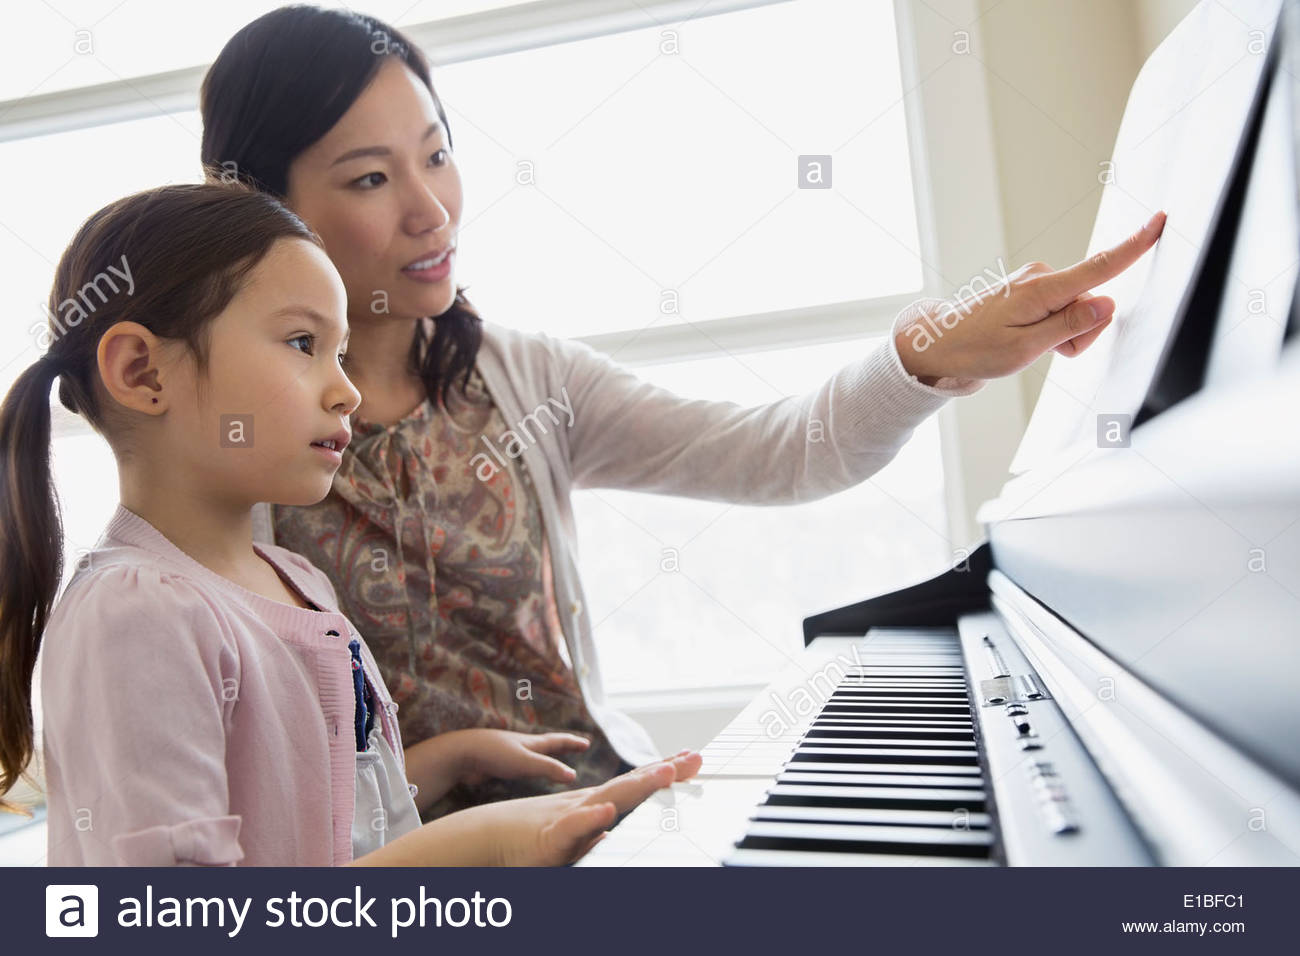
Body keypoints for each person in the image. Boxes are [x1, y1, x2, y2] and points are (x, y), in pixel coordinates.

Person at [199, 7, 1167, 820]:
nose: (431, 210)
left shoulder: (524, 377)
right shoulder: (226, 439)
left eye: (438, 155)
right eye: (371, 178)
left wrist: (926, 353)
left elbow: (782, 454)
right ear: (256, 203)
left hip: (603, 823)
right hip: (400, 872)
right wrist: (437, 764)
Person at [0, 182, 701, 866]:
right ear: (142, 371)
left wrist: (450, 760)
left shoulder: (296, 579)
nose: (347, 390)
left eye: (339, 354)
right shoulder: (137, 617)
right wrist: (479, 845)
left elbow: (319, 825)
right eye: (303, 343)